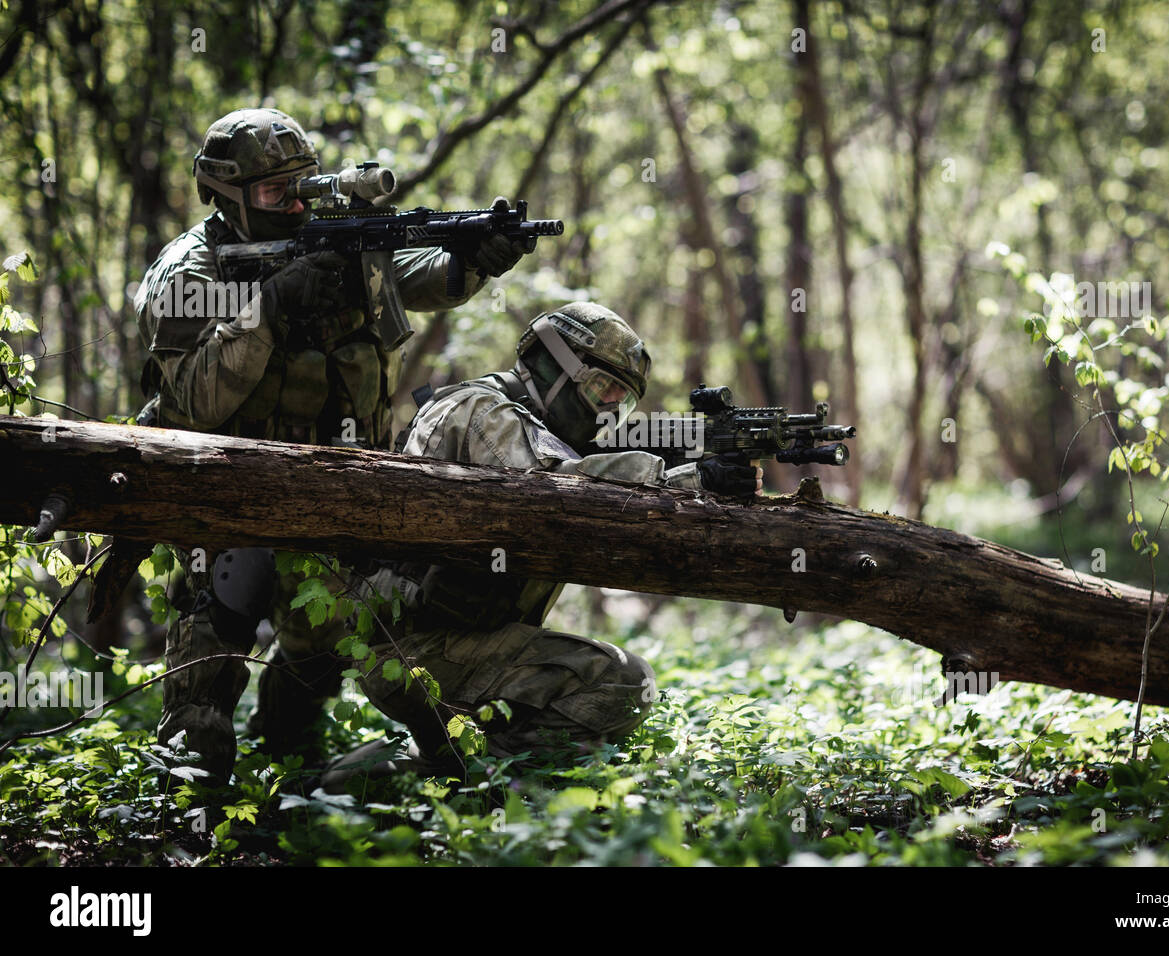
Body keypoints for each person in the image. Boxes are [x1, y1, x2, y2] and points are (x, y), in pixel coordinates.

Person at [132, 107, 533, 783]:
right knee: (212, 647)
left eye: (305, 185)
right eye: (272, 193)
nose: (295, 204)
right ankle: (186, 808)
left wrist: (474, 259)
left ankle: (291, 762)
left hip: (337, 490)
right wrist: (272, 305)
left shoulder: (342, 242)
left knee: (324, 641)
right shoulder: (189, 274)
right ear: (225, 194)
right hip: (226, 492)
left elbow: (424, 274)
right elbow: (196, 400)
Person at [324, 302, 762, 787]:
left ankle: (358, 785)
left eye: (624, 401)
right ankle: (495, 797)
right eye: (601, 388)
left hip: (437, 643)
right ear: (554, 365)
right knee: (621, 681)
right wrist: (684, 480)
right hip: (417, 648)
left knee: (455, 748)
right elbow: (560, 492)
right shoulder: (484, 411)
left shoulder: (519, 423)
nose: (610, 408)